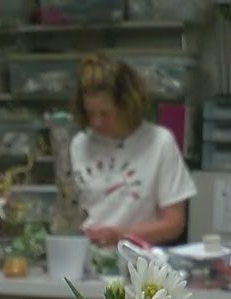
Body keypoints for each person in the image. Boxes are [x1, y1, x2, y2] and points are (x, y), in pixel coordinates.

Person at [69, 55, 196, 247]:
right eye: (90, 113)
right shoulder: (80, 144)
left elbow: (174, 223)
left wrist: (121, 235)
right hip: (85, 257)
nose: (96, 122)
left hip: (137, 259)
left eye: (105, 113)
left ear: (127, 106)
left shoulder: (160, 142)